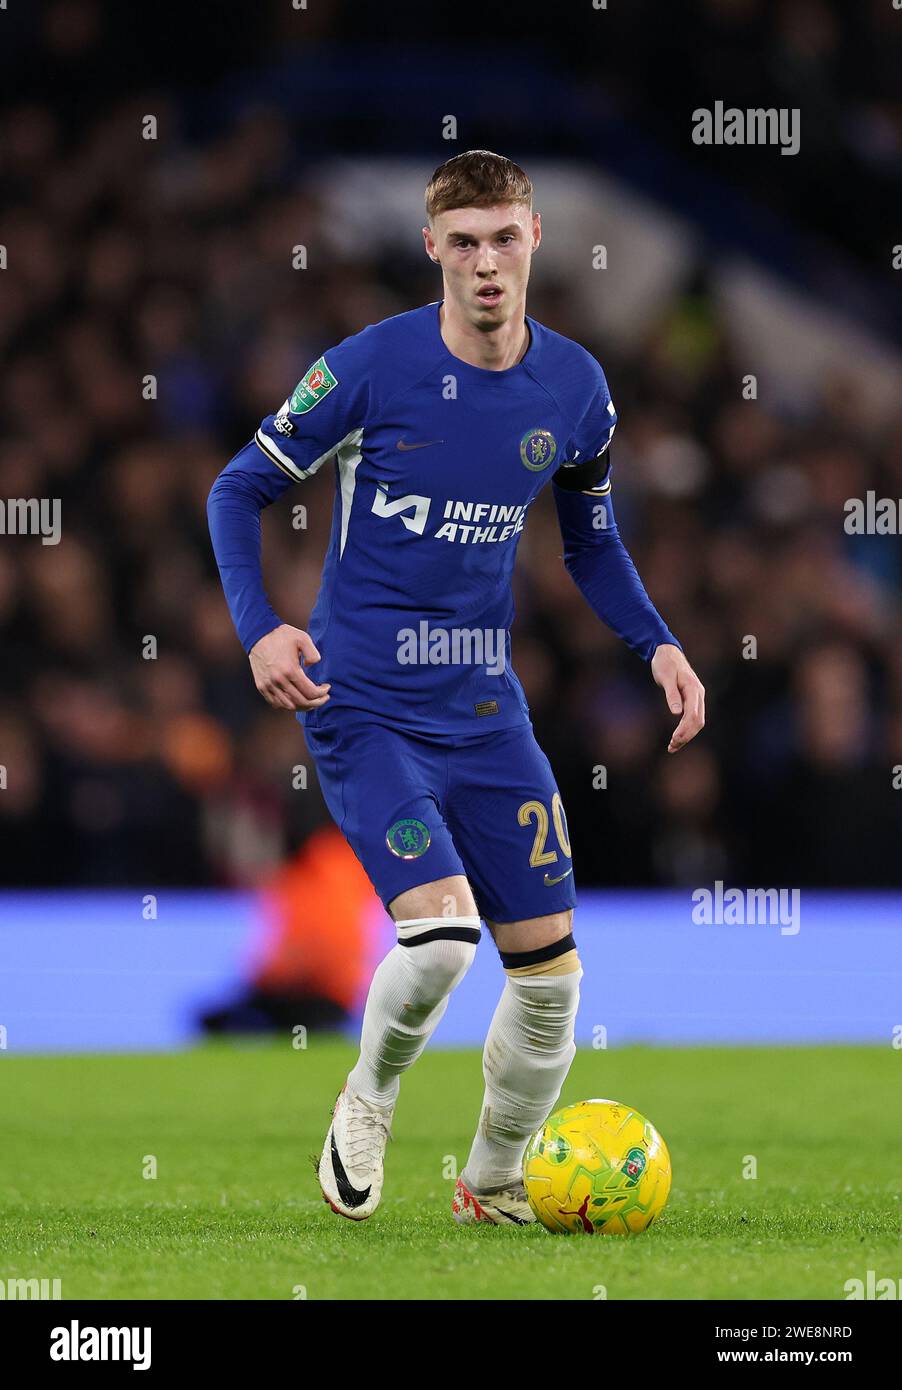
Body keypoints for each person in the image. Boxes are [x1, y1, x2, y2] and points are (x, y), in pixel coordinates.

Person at [207, 150, 705, 1225]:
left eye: (504, 238)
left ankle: (488, 1181)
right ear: (433, 248)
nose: (486, 263)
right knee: (438, 937)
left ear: (534, 239)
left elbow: (592, 541)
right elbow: (234, 488)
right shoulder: (368, 368)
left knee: (551, 986)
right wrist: (259, 632)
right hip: (364, 706)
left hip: (484, 713)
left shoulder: (573, 388)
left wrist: (657, 644)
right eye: (464, 242)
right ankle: (369, 1095)